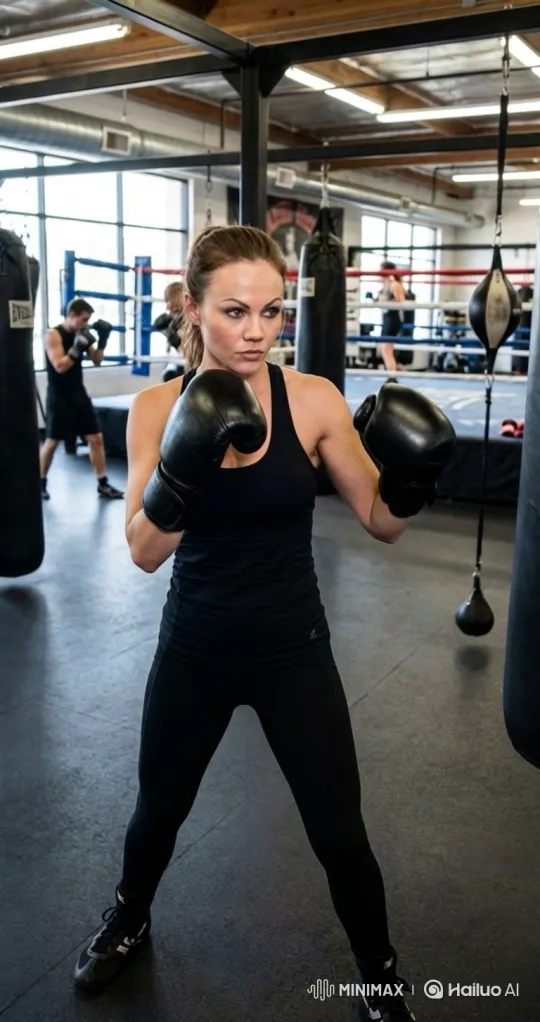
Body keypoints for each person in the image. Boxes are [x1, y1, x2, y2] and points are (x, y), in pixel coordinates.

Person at [73, 225, 455, 1020]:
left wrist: (413, 478)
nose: (255, 332)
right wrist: (190, 460)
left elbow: (381, 522)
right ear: (193, 307)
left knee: (339, 829)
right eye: (235, 311)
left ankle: (378, 969)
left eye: (272, 313)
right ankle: (128, 918)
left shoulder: (310, 399)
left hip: (294, 648)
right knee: (158, 810)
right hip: (196, 647)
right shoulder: (155, 408)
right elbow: (143, 552)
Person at [39, 298, 123, 500]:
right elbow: (60, 366)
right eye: (83, 319)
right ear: (72, 316)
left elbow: (97, 360)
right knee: (52, 442)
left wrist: (102, 340)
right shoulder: (53, 335)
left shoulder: (81, 334)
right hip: (59, 395)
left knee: (96, 438)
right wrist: (77, 348)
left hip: (78, 393)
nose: (86, 324)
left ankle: (102, 484)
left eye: (88, 320)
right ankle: (40, 482)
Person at [376, 261, 406, 375]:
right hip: (387, 318)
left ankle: (392, 376)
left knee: (386, 350)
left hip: (392, 319)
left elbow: (401, 300)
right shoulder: (386, 285)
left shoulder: (394, 284)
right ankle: (393, 372)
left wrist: (386, 301)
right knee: (386, 350)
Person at [152, 280, 184, 382]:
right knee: (169, 374)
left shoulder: (190, 322)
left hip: (194, 369)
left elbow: (190, 355)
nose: (167, 307)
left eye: (168, 302)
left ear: (176, 300)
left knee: (170, 376)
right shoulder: (174, 323)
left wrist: (176, 341)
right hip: (184, 365)